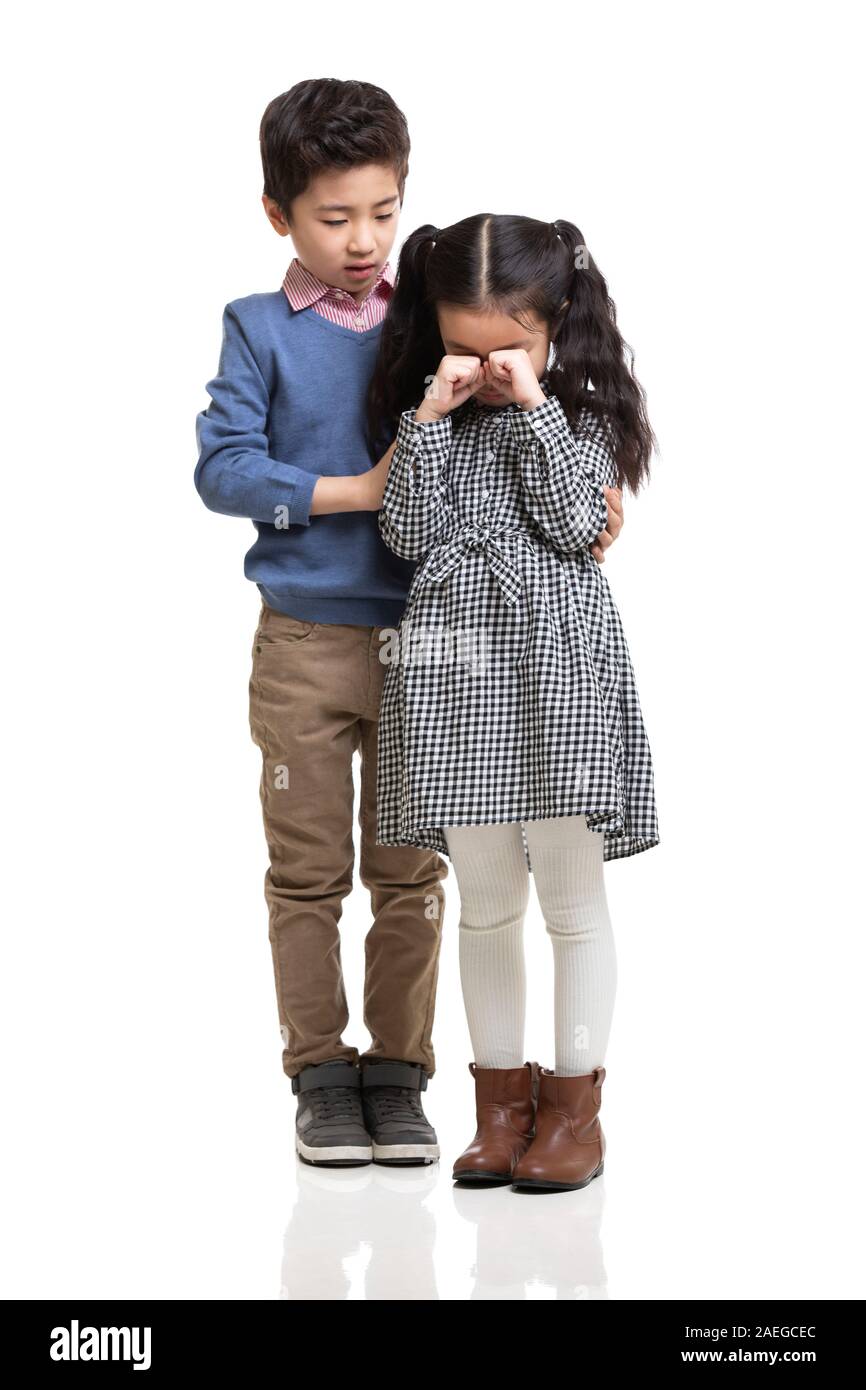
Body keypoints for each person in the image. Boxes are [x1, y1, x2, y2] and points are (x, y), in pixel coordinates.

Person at [194, 78, 466, 1170]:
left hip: (423, 639)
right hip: (302, 642)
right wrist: (360, 488)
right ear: (279, 214)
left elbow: (524, 396)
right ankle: (318, 1074)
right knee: (305, 872)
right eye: (333, 216)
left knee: (410, 870)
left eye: (383, 211)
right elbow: (220, 468)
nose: (363, 240)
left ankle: (397, 1076)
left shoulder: (429, 315)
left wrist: (591, 490)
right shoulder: (256, 327)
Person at [368, 213, 659, 1191]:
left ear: (555, 323)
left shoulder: (580, 417)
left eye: (510, 348)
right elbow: (405, 533)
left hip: (557, 667)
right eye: (464, 347)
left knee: (571, 902)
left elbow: (575, 517)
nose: (487, 367)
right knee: (486, 901)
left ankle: (574, 1110)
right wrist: (426, 418)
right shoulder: (434, 422)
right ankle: (499, 1110)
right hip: (454, 677)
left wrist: (532, 403)